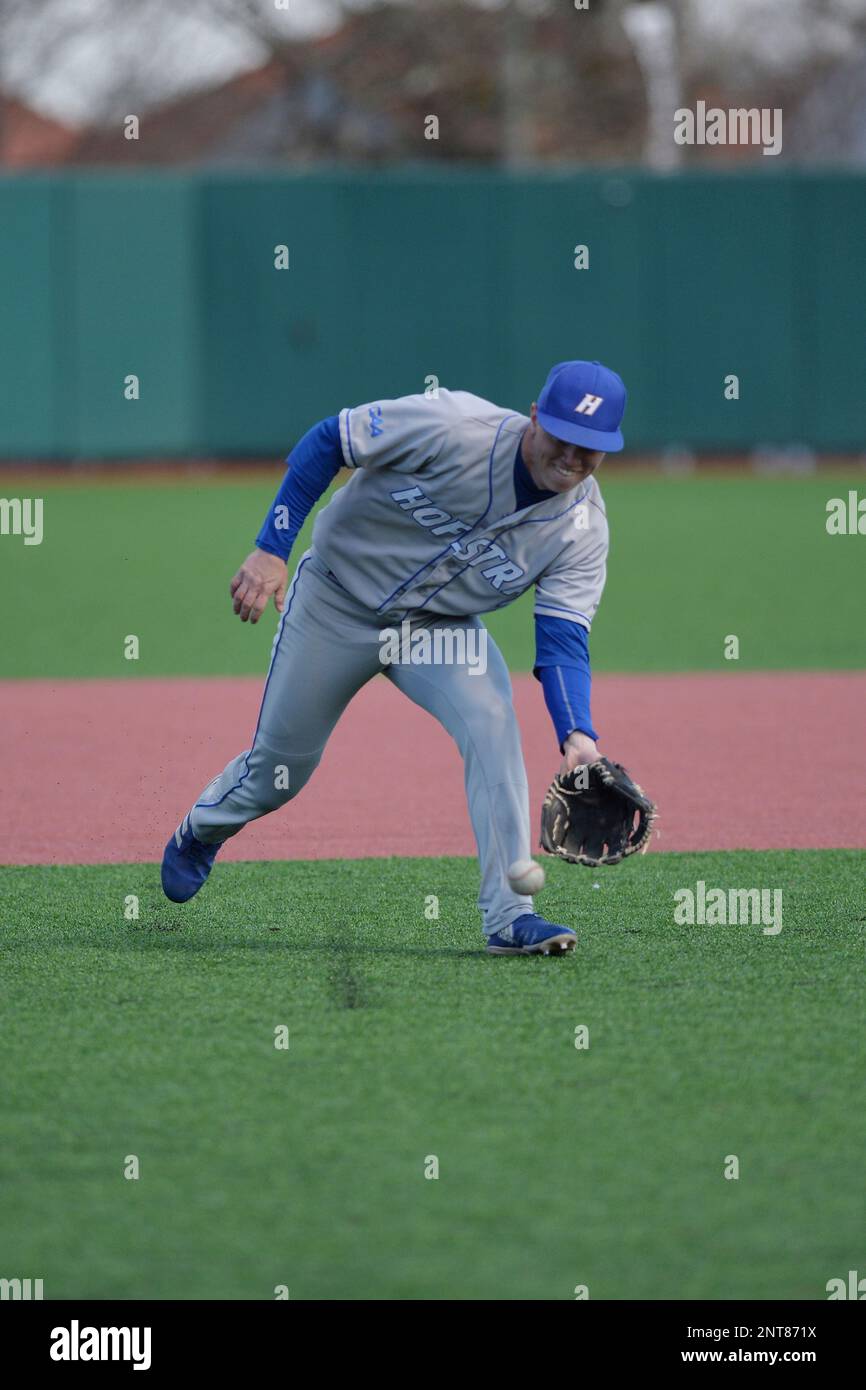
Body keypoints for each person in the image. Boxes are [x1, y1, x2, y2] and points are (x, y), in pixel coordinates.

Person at [161, 359, 626, 956]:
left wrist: (579, 736)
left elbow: (563, 638)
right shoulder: (456, 426)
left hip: (438, 627)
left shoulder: (582, 527)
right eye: (564, 435)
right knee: (278, 775)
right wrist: (271, 548)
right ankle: (202, 828)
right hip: (334, 599)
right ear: (536, 417)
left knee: (492, 722)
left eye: (592, 447)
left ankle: (511, 914)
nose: (574, 455)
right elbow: (330, 439)